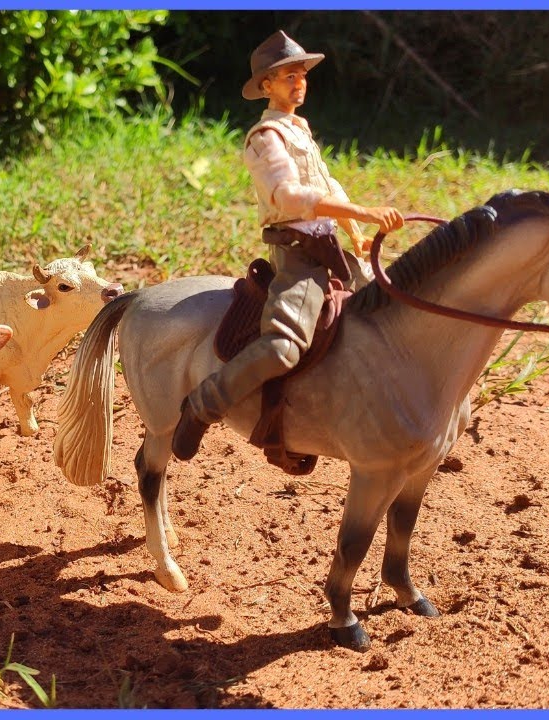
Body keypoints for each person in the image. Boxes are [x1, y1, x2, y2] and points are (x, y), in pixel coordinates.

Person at [172, 30, 405, 461]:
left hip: (328, 244)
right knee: (283, 346)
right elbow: (291, 196)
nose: (298, 82)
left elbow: (325, 182)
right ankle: (204, 405)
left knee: (383, 307)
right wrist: (365, 212)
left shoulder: (299, 130)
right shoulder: (265, 137)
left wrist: (356, 234)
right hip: (296, 251)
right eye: (287, 76)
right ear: (266, 86)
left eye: (301, 74)